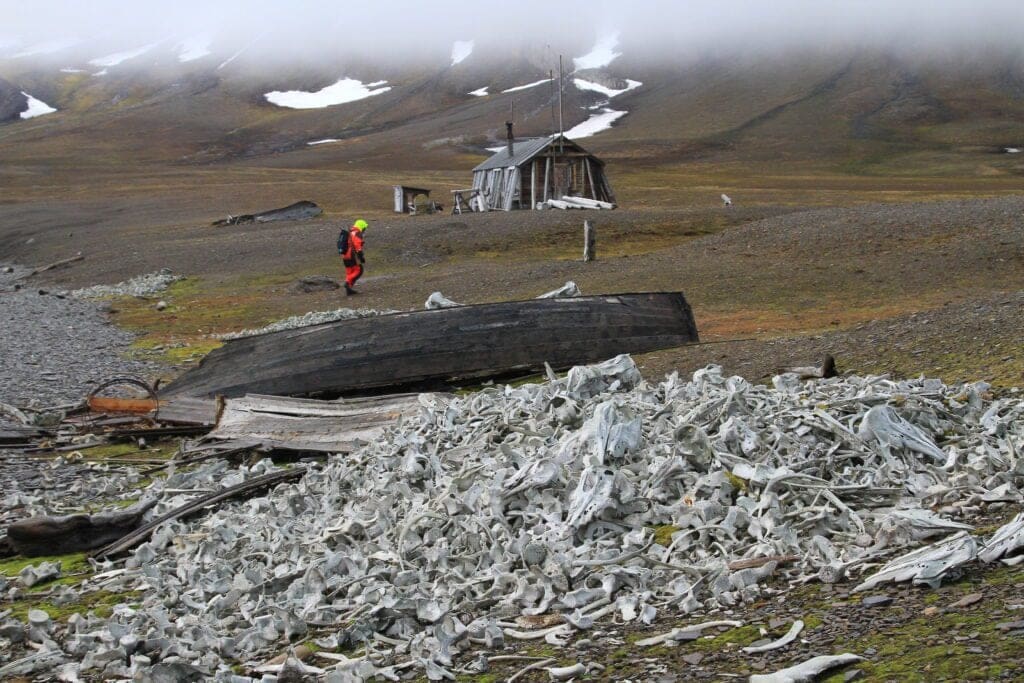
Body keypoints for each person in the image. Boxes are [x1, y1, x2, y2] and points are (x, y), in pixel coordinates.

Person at [339, 219, 367, 295]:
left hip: (345, 255)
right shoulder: (357, 233)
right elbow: (357, 245)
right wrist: (361, 256)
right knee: (359, 270)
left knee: (350, 271)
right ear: (361, 227)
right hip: (352, 255)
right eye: (364, 228)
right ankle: (347, 282)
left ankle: (349, 289)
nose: (364, 230)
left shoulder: (349, 232)